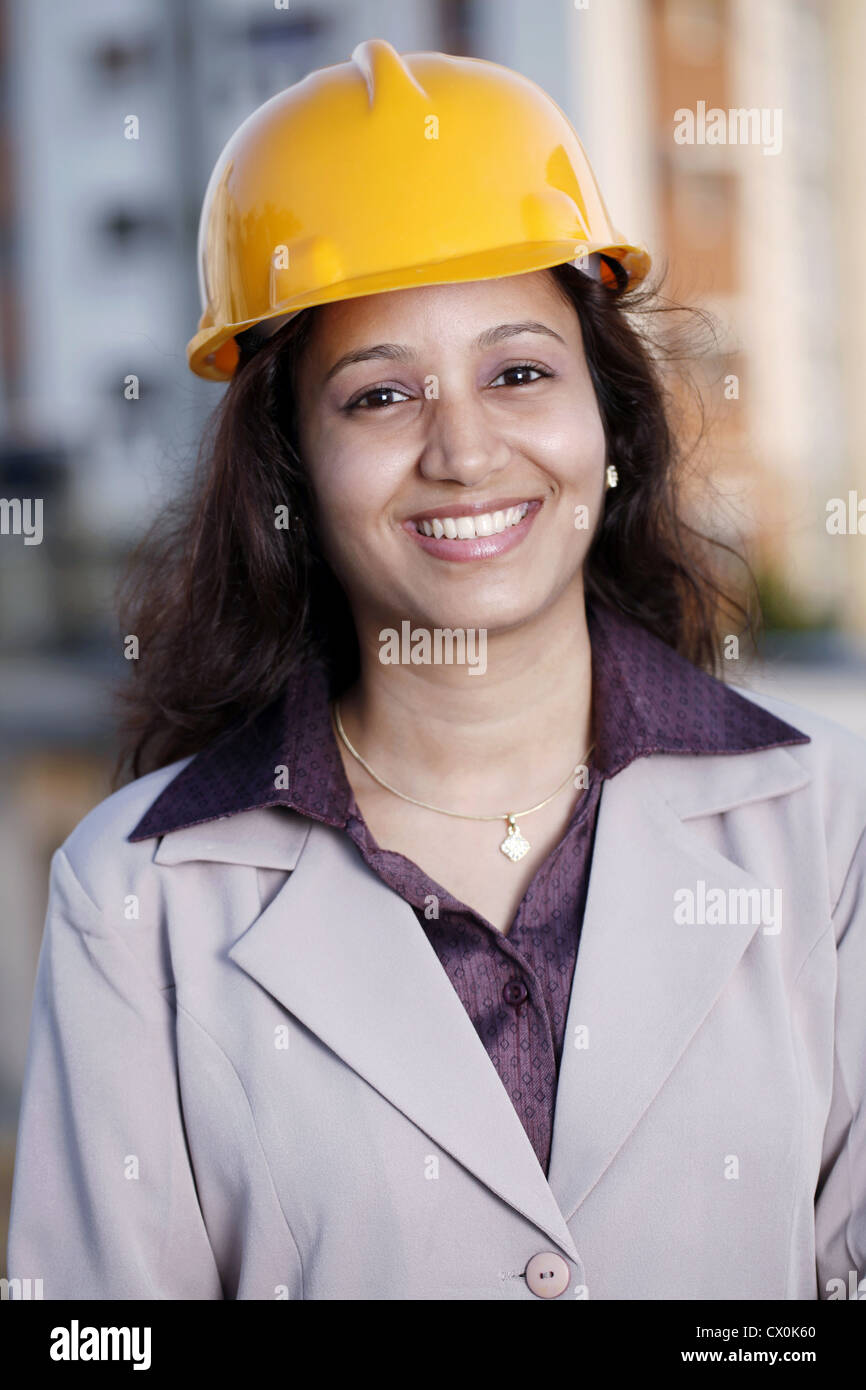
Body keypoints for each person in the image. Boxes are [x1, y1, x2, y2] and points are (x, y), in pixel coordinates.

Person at [7, 38, 866, 1302]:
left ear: (605, 417)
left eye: (518, 371)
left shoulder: (826, 820)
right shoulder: (134, 900)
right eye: (377, 395)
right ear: (289, 466)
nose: (463, 451)